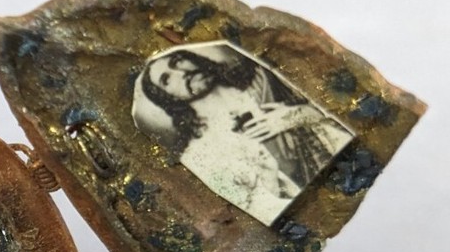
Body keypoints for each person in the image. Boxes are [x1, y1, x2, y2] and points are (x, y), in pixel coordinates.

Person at [137, 45, 351, 223]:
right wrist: (266, 178)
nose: (181, 72)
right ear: (169, 99)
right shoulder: (197, 153)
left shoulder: (261, 81)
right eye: (167, 80)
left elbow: (339, 118)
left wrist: (295, 115)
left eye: (177, 62)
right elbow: (259, 212)